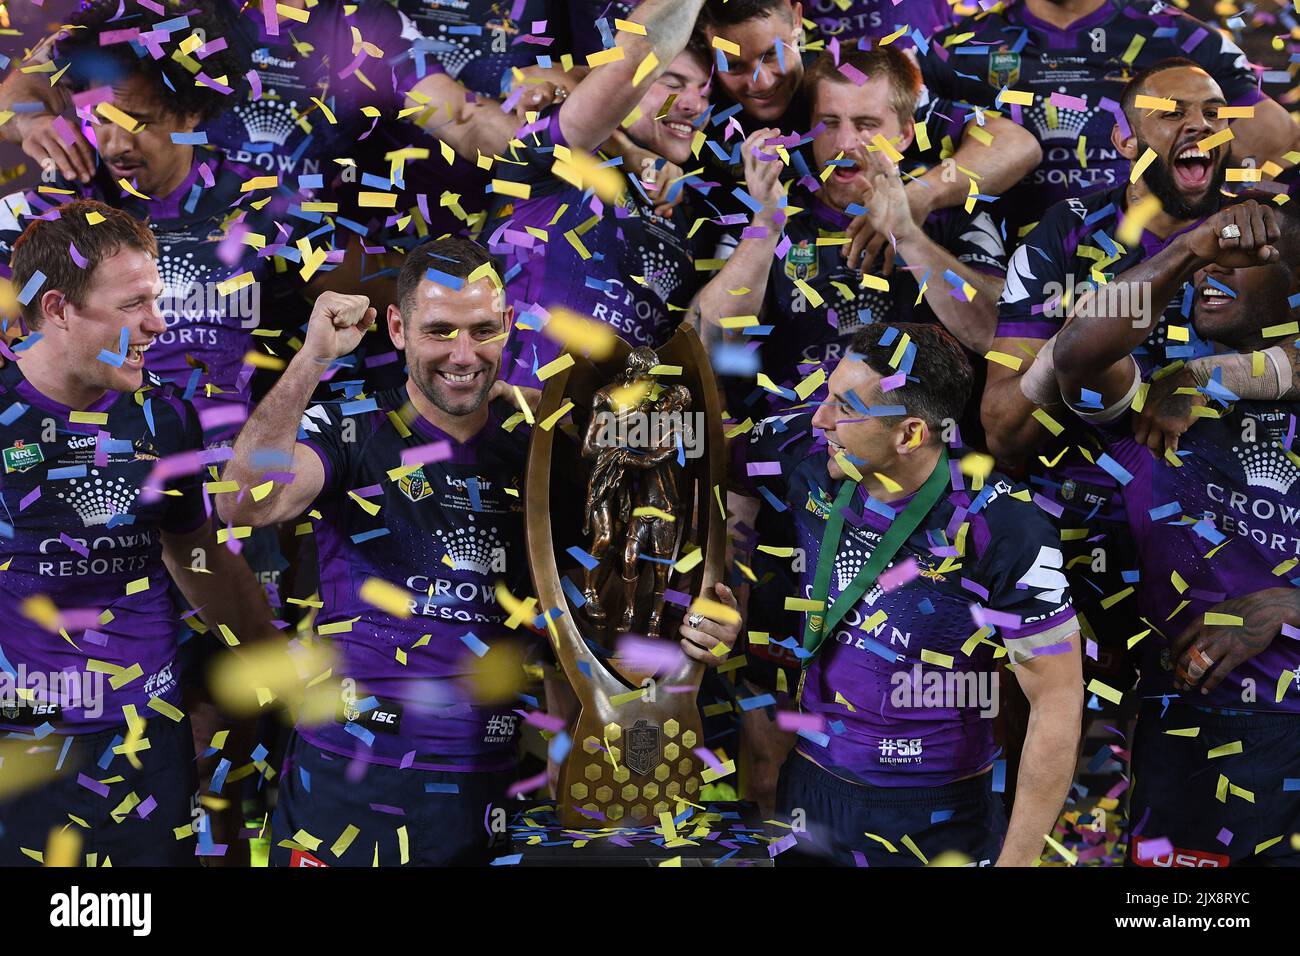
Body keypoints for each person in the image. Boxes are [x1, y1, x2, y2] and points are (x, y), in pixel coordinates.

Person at [217, 235, 741, 864]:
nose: (463, 355)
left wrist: (699, 629)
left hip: (484, 783)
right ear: (396, 327)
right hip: (349, 774)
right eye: (439, 330)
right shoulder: (353, 426)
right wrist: (312, 358)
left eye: (481, 331)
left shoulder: (542, 454)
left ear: (508, 326)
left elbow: (586, 618)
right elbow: (244, 503)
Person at [735, 322, 1082, 865]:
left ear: (910, 435)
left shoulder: (1003, 524)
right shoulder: (804, 447)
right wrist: (720, 585)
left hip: (937, 813)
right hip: (809, 790)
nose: (821, 416)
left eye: (844, 407)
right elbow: (723, 470)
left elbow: (1057, 701)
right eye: (825, 393)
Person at [0, 199, 276, 866]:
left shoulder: (164, 418)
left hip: (145, 746)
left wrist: (275, 665)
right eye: (133, 305)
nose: (158, 324)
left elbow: (195, 555)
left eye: (157, 299)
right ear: (59, 309)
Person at [1053, 198, 1300, 865]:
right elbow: (1073, 354)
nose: (1210, 272)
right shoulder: (1155, 402)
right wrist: (1188, 247)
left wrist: (1287, 605)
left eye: (1240, 258)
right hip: (1202, 733)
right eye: (1204, 262)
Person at [920, 0, 1298, 240]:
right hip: (998, 265)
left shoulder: (1181, 36)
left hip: (1148, 256)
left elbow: (1277, 143)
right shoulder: (956, 47)